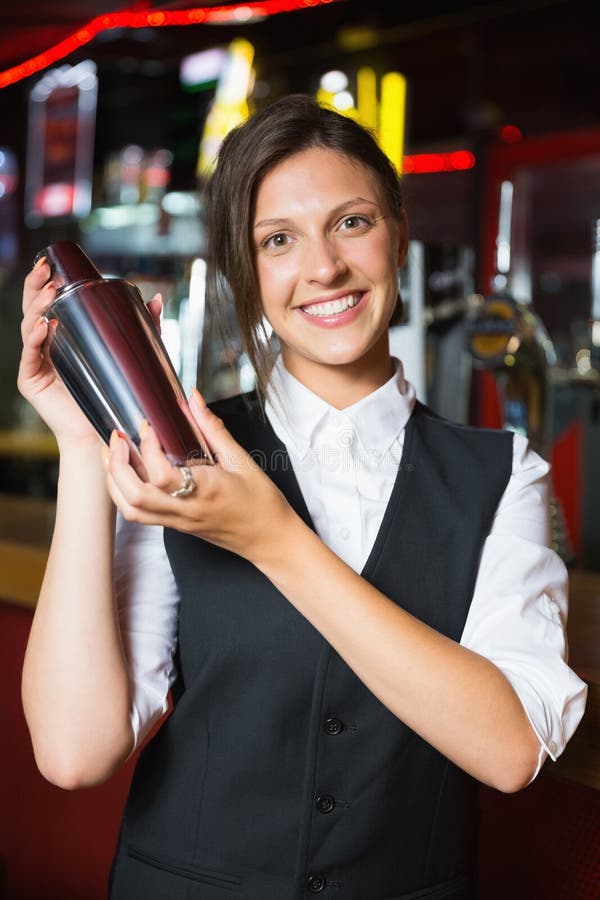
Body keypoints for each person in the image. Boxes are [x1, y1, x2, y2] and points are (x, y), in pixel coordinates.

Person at [18, 94, 586, 900]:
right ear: (246, 270)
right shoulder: (184, 453)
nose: (322, 268)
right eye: (277, 240)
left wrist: (273, 539)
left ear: (397, 229)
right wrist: (83, 444)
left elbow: (511, 750)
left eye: (351, 222)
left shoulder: (507, 473)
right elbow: (75, 754)